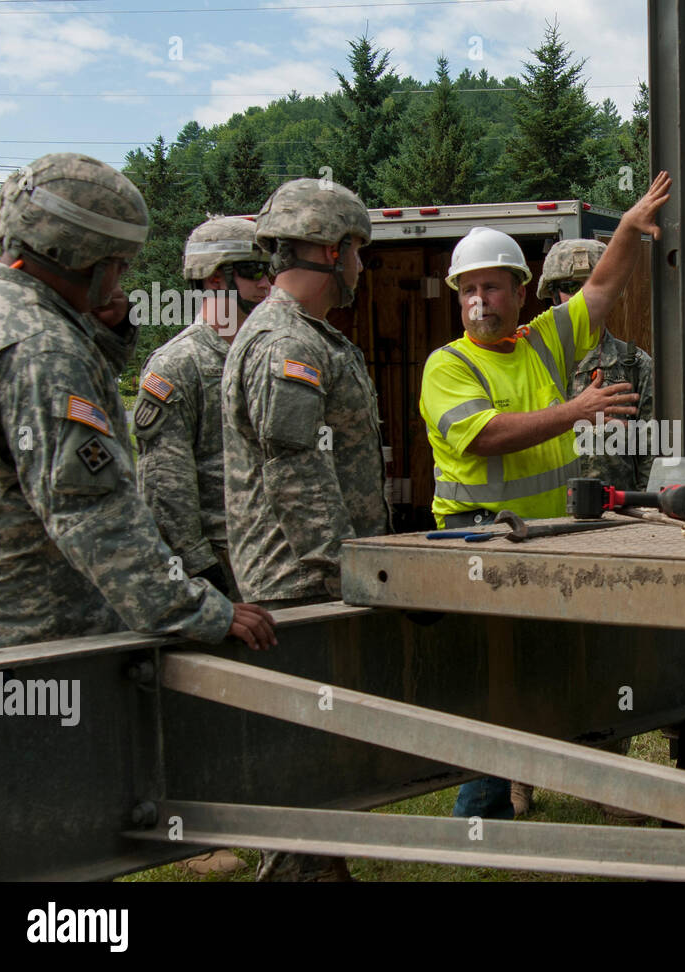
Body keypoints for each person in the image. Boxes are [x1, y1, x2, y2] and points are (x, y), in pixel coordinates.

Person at [419, 171, 671, 819]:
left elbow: (602, 287)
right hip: (473, 544)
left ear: (517, 292)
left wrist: (626, 227)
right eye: (469, 290)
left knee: (548, 670)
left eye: (492, 287)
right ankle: (480, 813)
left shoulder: (541, 345)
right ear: (457, 298)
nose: (480, 301)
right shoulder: (448, 365)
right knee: (499, 684)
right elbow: (485, 437)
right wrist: (576, 410)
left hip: (535, 541)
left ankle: (542, 789)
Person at [0, 152, 276, 655]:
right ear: (79, 256)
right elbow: (91, 512)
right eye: (115, 262)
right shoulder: (44, 346)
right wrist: (193, 606)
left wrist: (103, 336)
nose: (120, 277)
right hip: (39, 634)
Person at [222, 176, 390, 880]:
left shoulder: (307, 336)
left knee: (324, 756)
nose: (360, 266)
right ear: (328, 248)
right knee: (304, 760)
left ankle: (323, 871)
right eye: (355, 250)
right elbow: (294, 476)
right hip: (302, 586)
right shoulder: (283, 343)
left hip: (315, 581)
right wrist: (345, 575)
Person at [133, 216, 272, 603]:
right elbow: (165, 488)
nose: (266, 283)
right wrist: (201, 572)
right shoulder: (178, 364)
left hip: (271, 557)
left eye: (270, 271)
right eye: (253, 271)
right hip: (222, 568)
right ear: (214, 279)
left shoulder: (265, 355)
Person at [544, 238, 656, 492]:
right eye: (571, 286)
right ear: (552, 294)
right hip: (546, 514)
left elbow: (652, 454)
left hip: (615, 519)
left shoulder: (635, 365)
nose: (583, 297)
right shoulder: (529, 362)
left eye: (594, 285)